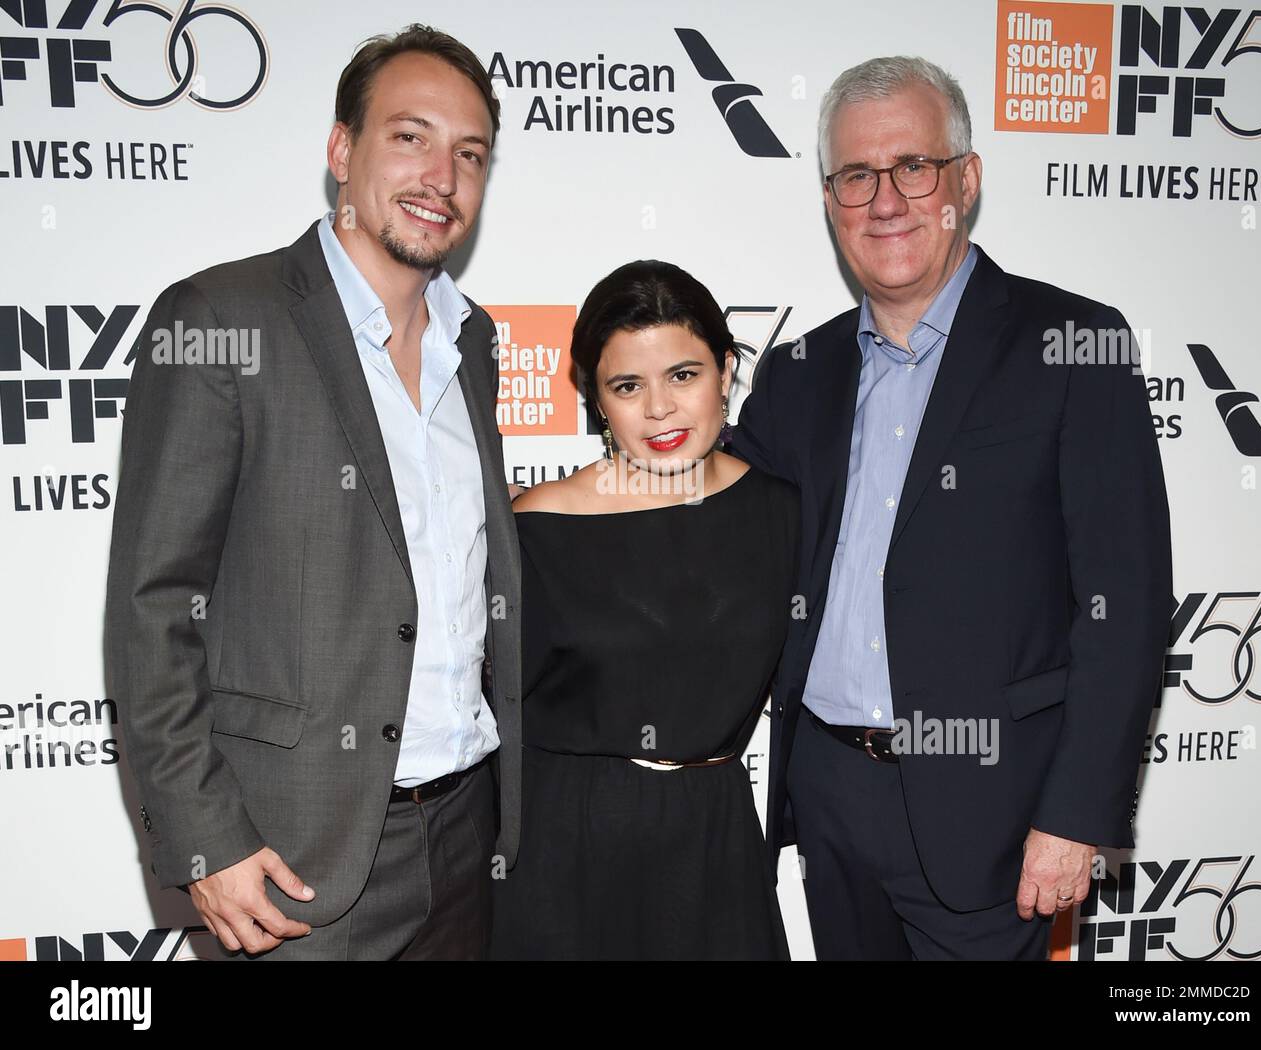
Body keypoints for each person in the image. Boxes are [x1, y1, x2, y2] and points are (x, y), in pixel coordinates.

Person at [728, 56, 1172, 960]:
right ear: (829, 200)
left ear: (964, 181)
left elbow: (1124, 606)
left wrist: (1077, 816)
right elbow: (710, 538)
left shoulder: (1074, 344)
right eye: (856, 175)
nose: (884, 198)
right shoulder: (795, 375)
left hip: (996, 816)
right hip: (829, 799)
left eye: (913, 167)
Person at [104, 25, 520, 960]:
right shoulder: (221, 319)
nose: (441, 178)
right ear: (342, 150)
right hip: (292, 858)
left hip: (466, 836)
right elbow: (154, 603)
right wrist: (205, 838)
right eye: (410, 137)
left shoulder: (475, 343)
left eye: (470, 153)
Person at [489, 260, 798, 959]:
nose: (659, 409)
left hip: (715, 837)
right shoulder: (541, 523)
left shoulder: (782, 512)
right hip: (564, 842)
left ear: (726, 369)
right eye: (628, 386)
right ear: (597, 400)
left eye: (683, 375)